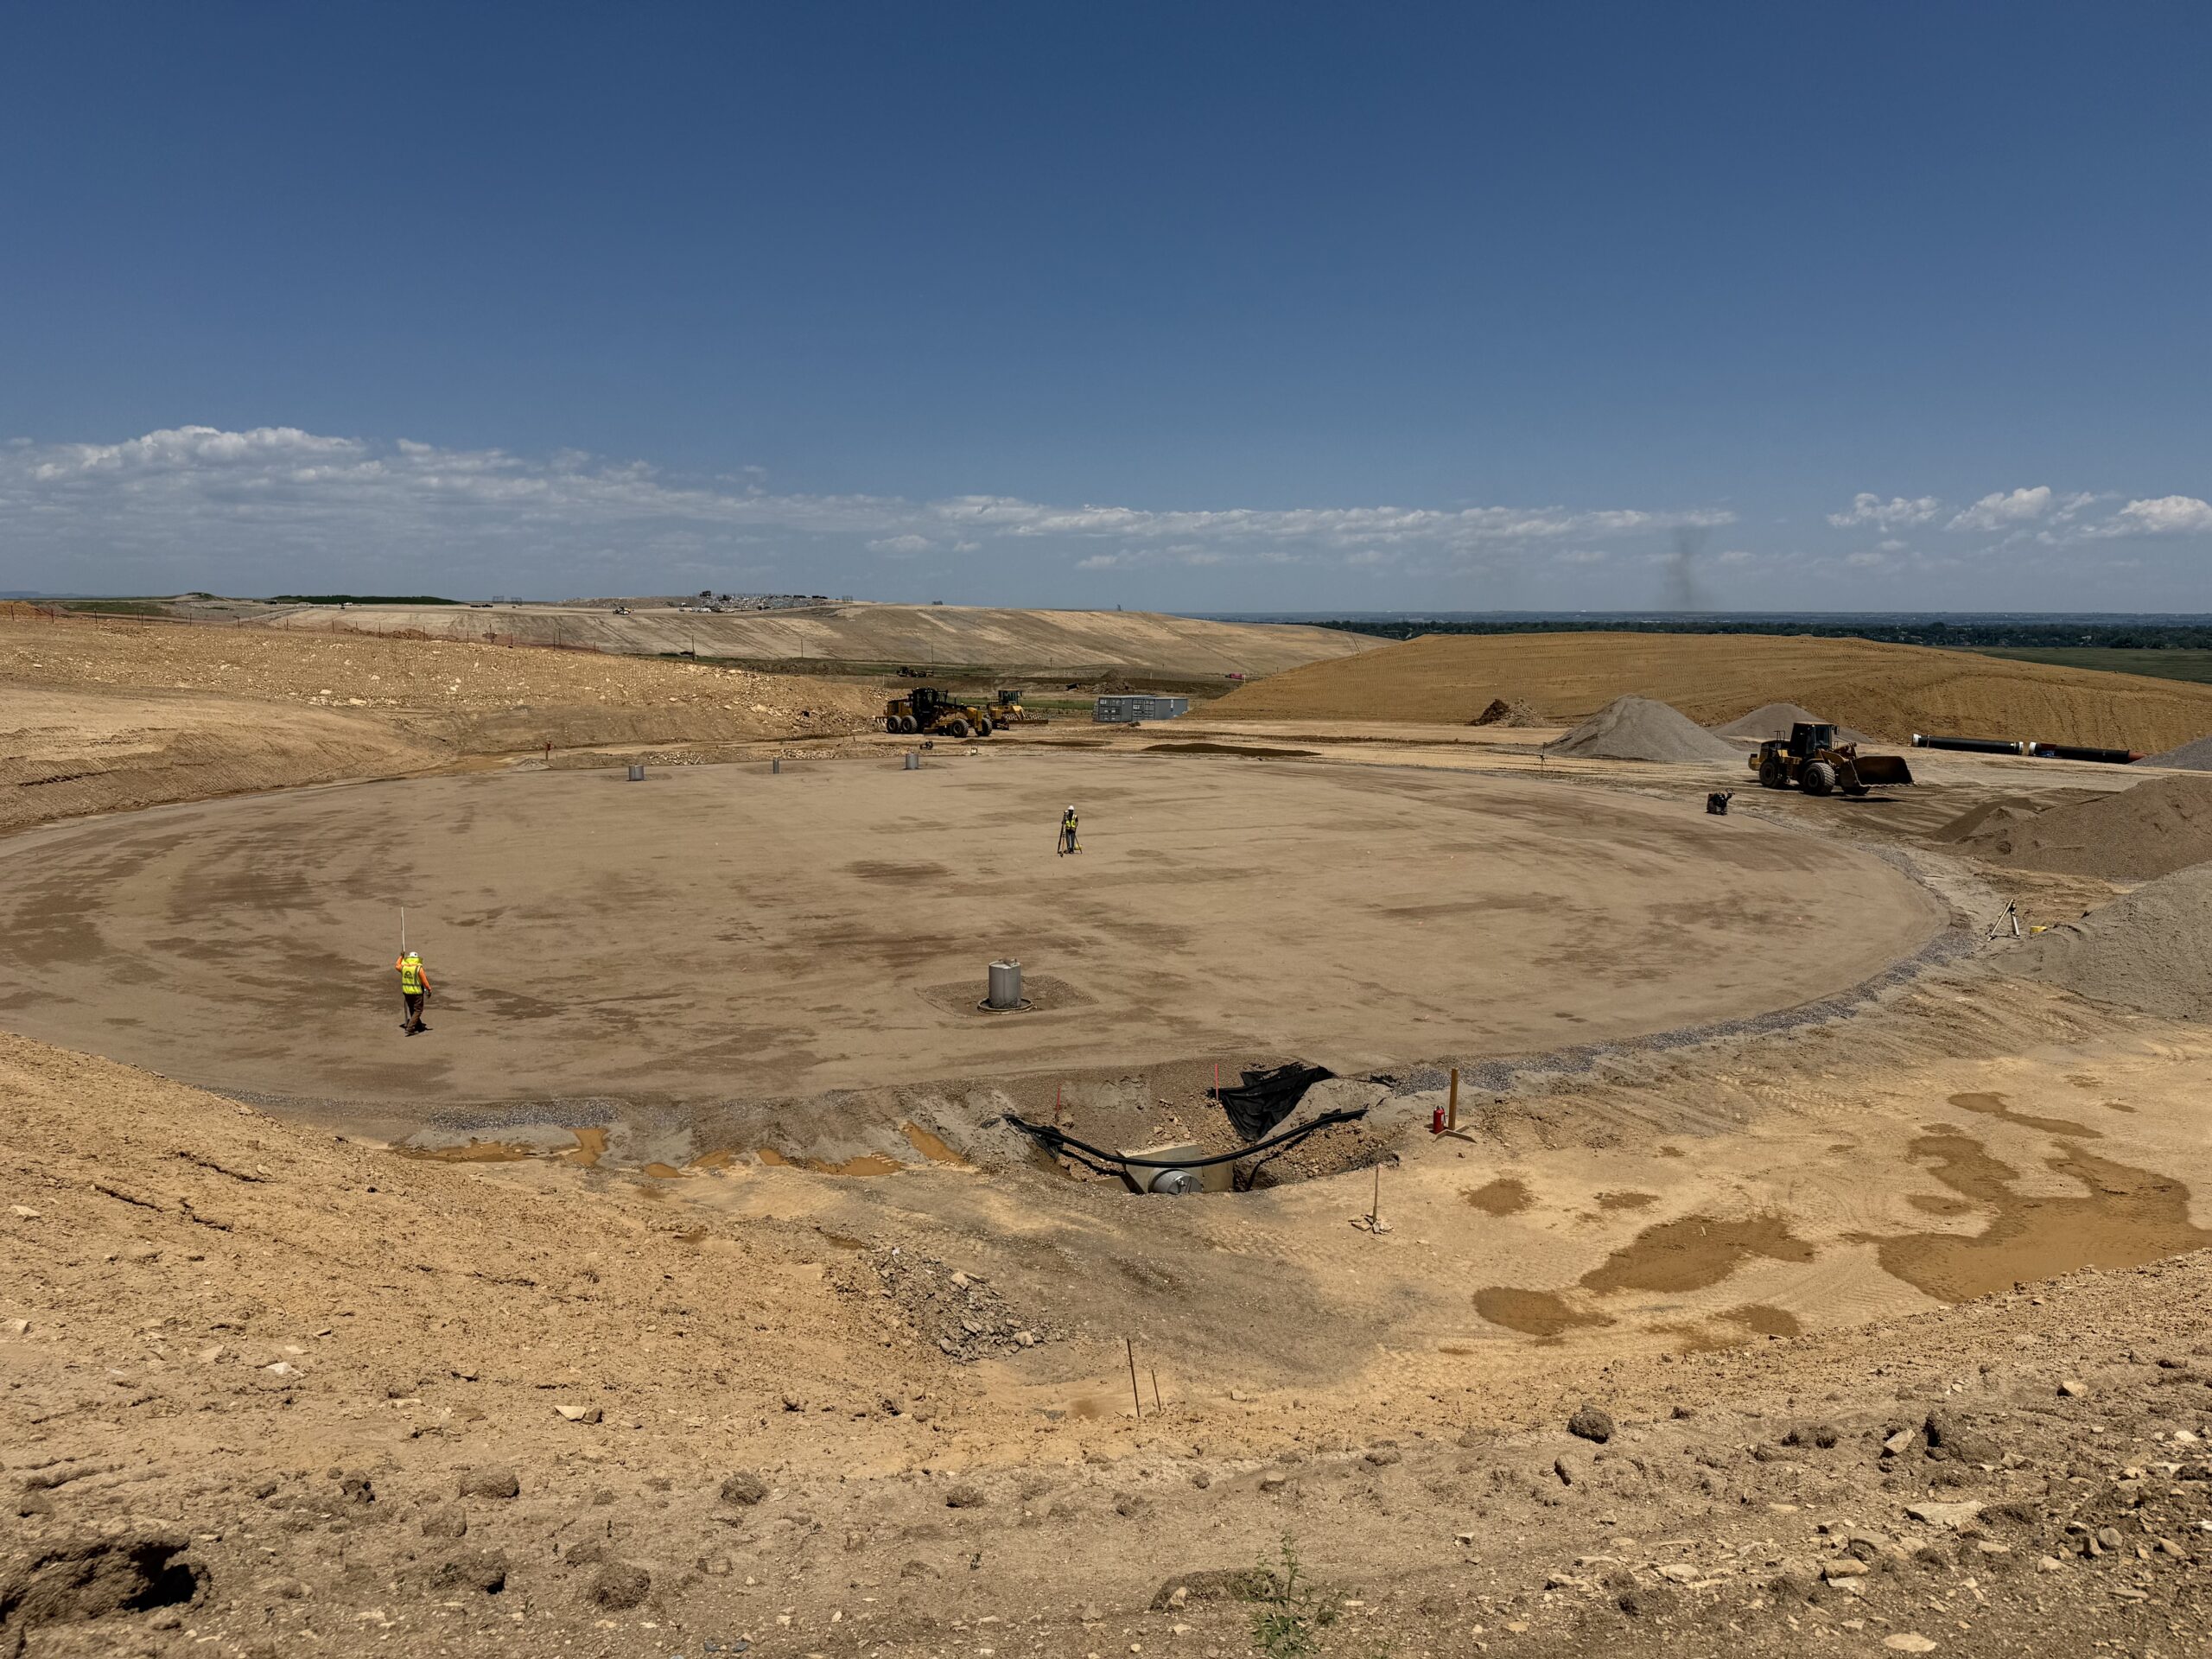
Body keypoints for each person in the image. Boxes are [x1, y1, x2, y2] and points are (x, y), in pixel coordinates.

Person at [396, 948, 431, 1034]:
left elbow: (397, 965)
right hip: (417, 992)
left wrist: (401, 956)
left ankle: (418, 1025)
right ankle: (410, 1027)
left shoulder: (404, 968)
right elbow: (424, 981)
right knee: (418, 1010)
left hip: (407, 992)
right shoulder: (418, 968)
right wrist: (429, 989)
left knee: (412, 1009)